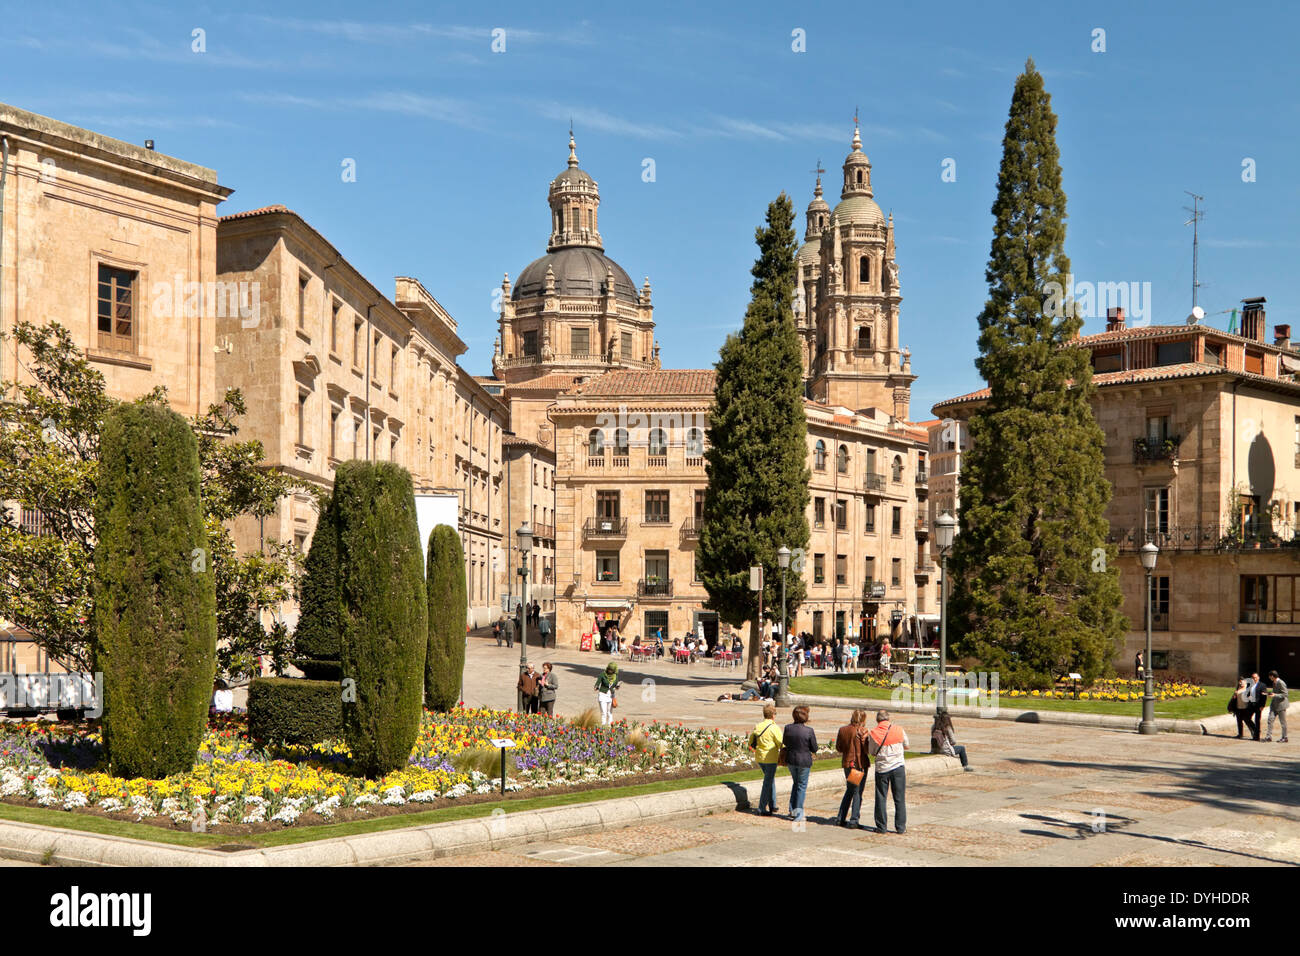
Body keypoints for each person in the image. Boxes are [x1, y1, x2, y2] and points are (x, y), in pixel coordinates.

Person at [866, 709, 909, 834]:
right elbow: (907, 744)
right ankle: (901, 827)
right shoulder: (899, 729)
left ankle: (881, 826)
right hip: (898, 767)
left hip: (882, 768)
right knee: (899, 798)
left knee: (881, 797)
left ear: (877, 720)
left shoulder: (873, 733)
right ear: (888, 719)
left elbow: (872, 751)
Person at [835, 709, 870, 829]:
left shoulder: (843, 730)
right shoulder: (862, 731)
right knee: (857, 792)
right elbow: (866, 750)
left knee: (850, 790)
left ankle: (840, 818)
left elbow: (839, 747)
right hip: (857, 764)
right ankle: (854, 820)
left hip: (847, 763)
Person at [782, 705, 818, 821]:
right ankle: (798, 814)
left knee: (796, 783)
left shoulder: (788, 728)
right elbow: (814, 748)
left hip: (791, 759)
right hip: (804, 761)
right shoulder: (808, 731)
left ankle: (792, 810)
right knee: (801, 786)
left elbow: (785, 742)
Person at [749, 705, 783, 816]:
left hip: (760, 757)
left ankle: (773, 804)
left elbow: (751, 742)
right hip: (771, 758)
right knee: (767, 782)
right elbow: (780, 743)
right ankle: (762, 807)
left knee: (770, 779)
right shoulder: (774, 727)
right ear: (773, 715)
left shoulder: (758, 726)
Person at [1264, 670, 1289, 742]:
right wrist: (1268, 694)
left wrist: (1275, 695)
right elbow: (1275, 693)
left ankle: (1285, 737)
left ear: (1272, 676)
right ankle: (1268, 737)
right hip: (1274, 705)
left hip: (1281, 705)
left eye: (1270, 676)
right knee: (1270, 720)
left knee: (1283, 722)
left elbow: (1285, 694)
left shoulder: (1281, 683)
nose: (1269, 678)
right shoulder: (1274, 682)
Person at [1248, 671, 1267, 741]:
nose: (1254, 679)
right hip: (1251, 705)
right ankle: (1256, 729)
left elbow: (1264, 696)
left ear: (1258, 678)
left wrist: (1262, 705)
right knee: (1247, 718)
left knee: (1257, 720)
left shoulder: (1262, 685)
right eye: (1253, 678)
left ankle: (1257, 736)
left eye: (1255, 677)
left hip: (1258, 705)